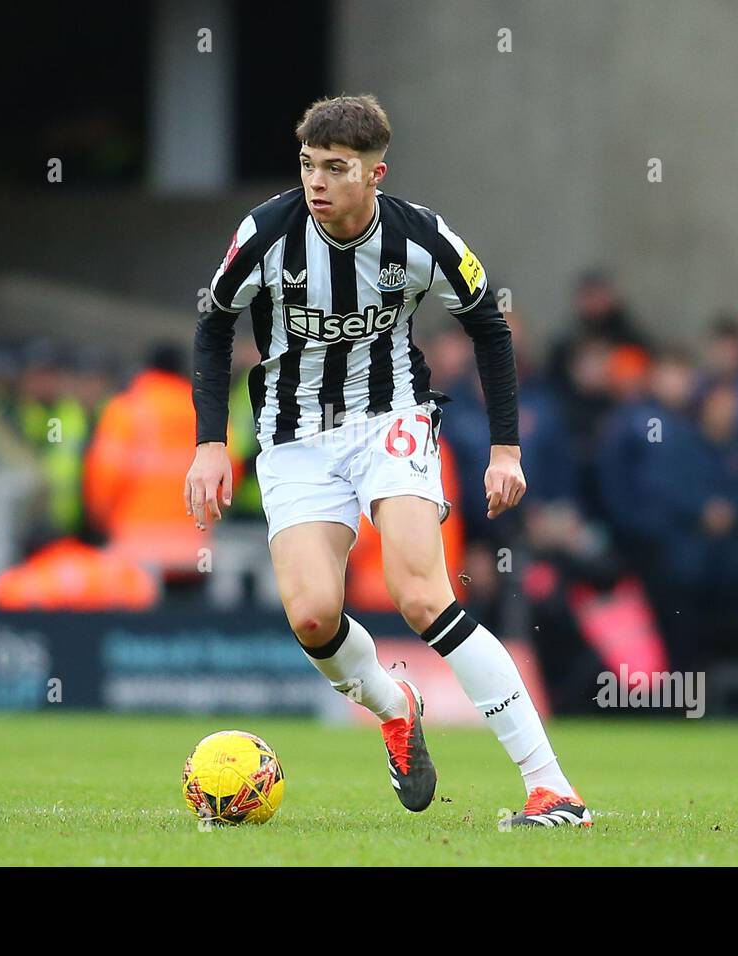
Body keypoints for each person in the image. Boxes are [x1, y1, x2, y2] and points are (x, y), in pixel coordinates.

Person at [185, 94, 590, 828]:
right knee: (313, 616)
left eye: (336, 168)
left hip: (390, 420)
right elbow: (214, 324)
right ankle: (394, 707)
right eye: (308, 164)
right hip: (294, 438)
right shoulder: (267, 232)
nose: (317, 181)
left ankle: (552, 789)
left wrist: (506, 448)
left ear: (376, 174)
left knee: (422, 596)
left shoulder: (420, 237)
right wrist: (211, 441)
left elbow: (489, 329)